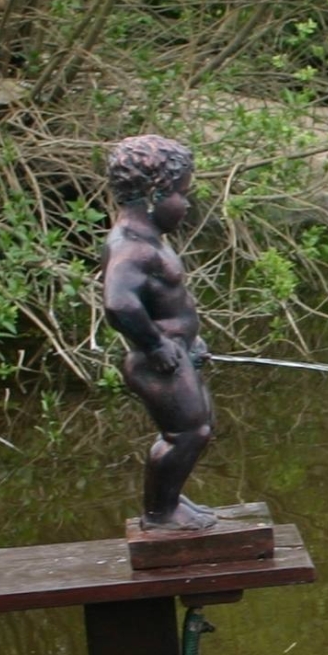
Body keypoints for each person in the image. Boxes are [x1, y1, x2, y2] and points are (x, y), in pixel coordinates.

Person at [102, 135, 218, 532]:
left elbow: (167, 301)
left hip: (176, 352)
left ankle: (167, 500)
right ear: (155, 194)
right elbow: (119, 304)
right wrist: (155, 345)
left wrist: (189, 340)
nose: (187, 205)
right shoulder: (131, 247)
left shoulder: (150, 241)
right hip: (156, 361)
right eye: (182, 194)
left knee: (198, 428)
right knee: (188, 432)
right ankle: (160, 514)